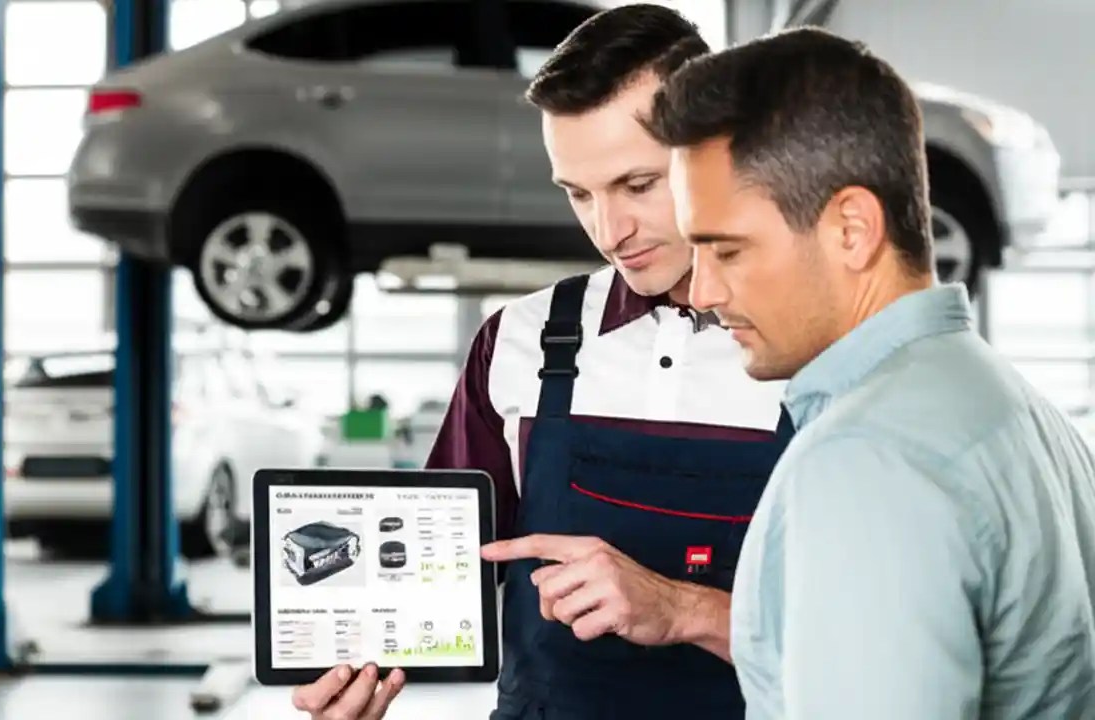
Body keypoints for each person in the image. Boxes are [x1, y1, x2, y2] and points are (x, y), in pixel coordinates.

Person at [291, 5, 793, 719]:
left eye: (638, 185)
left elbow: (872, 640)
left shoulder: (807, 355)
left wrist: (687, 608)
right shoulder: (519, 342)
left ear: (721, 150)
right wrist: (355, 672)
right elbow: (431, 576)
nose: (609, 231)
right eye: (579, 194)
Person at [651, 26, 1095, 719]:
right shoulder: (1014, 410)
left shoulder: (865, 460)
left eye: (727, 250)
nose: (701, 292)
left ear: (852, 230)